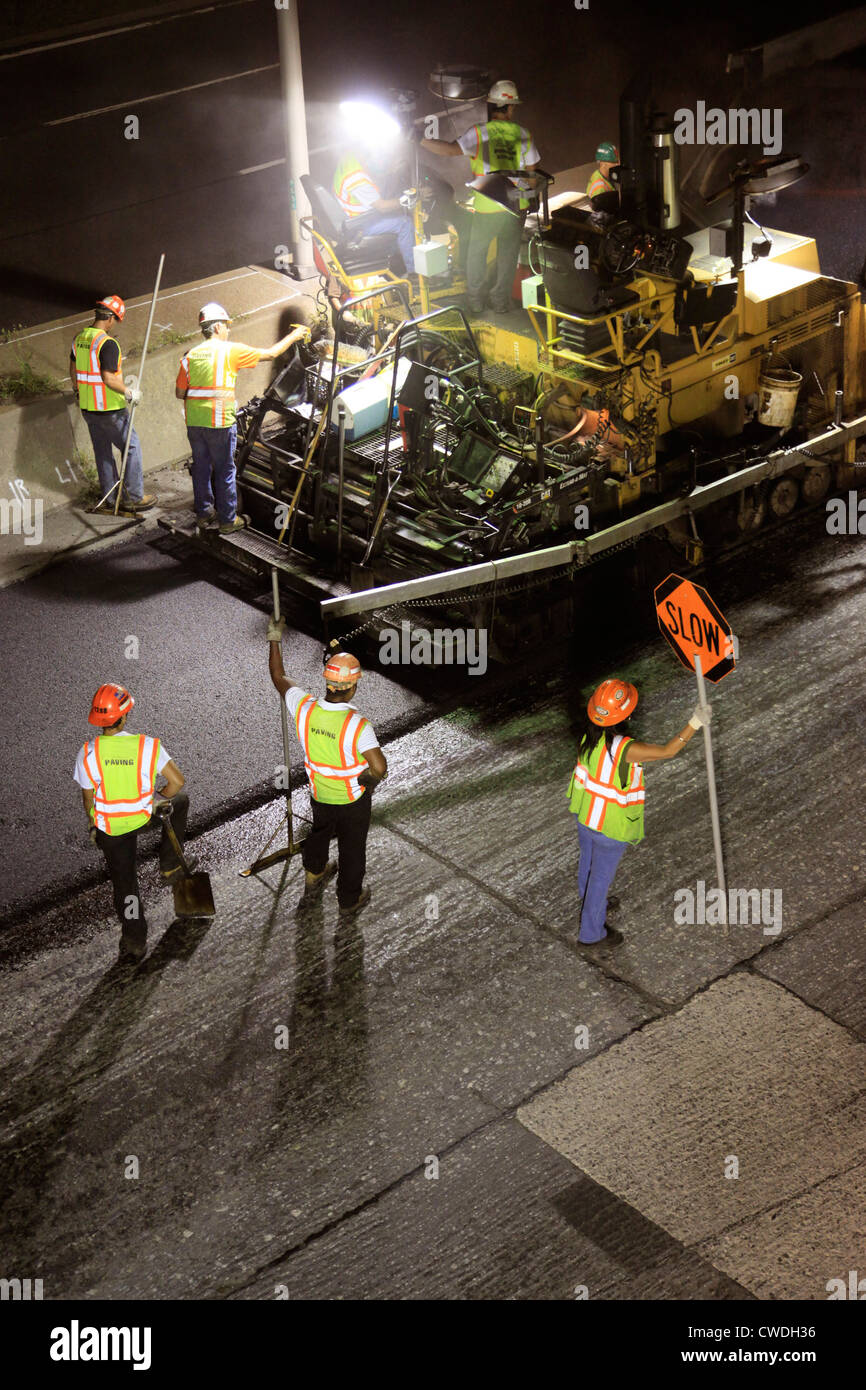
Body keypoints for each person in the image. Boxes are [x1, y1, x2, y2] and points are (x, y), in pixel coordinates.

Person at [567, 677, 711, 949]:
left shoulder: (588, 735)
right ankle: (591, 934)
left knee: (587, 866)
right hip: (610, 826)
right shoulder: (626, 749)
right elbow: (668, 751)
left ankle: (592, 902)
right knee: (600, 877)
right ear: (627, 714)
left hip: (586, 816)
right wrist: (695, 722)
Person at [267, 629, 387, 915]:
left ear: (328, 682)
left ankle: (314, 874)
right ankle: (348, 900)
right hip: (352, 801)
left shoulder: (304, 708)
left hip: (320, 794)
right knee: (352, 848)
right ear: (353, 686)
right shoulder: (358, 725)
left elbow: (278, 676)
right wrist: (367, 783)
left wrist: (274, 637)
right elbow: (379, 767)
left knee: (319, 833)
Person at [73, 683, 188, 961]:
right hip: (143, 816)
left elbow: (89, 801)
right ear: (124, 717)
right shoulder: (147, 747)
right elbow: (177, 782)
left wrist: (93, 826)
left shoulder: (88, 753)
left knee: (125, 885)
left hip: (110, 830)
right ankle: (171, 864)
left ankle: (135, 940)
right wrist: (157, 798)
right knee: (181, 802)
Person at [175, 303, 308, 533]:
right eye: (226, 326)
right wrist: (294, 335)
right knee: (226, 469)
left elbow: (179, 393)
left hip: (194, 422)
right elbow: (272, 353)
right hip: (219, 422)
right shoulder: (230, 351)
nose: (228, 331)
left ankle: (204, 514)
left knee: (202, 468)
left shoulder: (190, 356)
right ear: (217, 327)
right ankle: (228, 520)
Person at [421, 79, 539, 314]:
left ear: (492, 106)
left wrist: (419, 139)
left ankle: (475, 301)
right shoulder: (524, 134)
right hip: (516, 206)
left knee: (476, 253)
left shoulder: (479, 133)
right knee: (507, 257)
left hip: (488, 206)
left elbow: (448, 150)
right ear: (511, 108)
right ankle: (500, 303)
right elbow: (533, 176)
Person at [70, 296, 154, 512]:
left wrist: (78, 391)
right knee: (131, 447)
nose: (115, 324)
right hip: (110, 410)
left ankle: (110, 497)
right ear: (110, 319)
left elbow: (73, 369)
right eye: (116, 320)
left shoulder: (79, 338)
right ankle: (134, 497)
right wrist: (129, 392)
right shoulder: (108, 343)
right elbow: (108, 378)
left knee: (103, 452)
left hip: (88, 409)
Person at [332, 146, 416, 276]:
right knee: (405, 223)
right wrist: (410, 198)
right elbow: (382, 206)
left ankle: (394, 264)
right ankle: (414, 273)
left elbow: (370, 172)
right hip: (359, 225)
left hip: (353, 217)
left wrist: (389, 171)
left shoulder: (349, 158)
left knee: (395, 217)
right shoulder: (357, 179)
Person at [587, 142, 620, 213]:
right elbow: (600, 214)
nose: (618, 164)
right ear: (603, 164)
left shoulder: (598, 174)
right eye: (614, 162)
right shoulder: (600, 187)